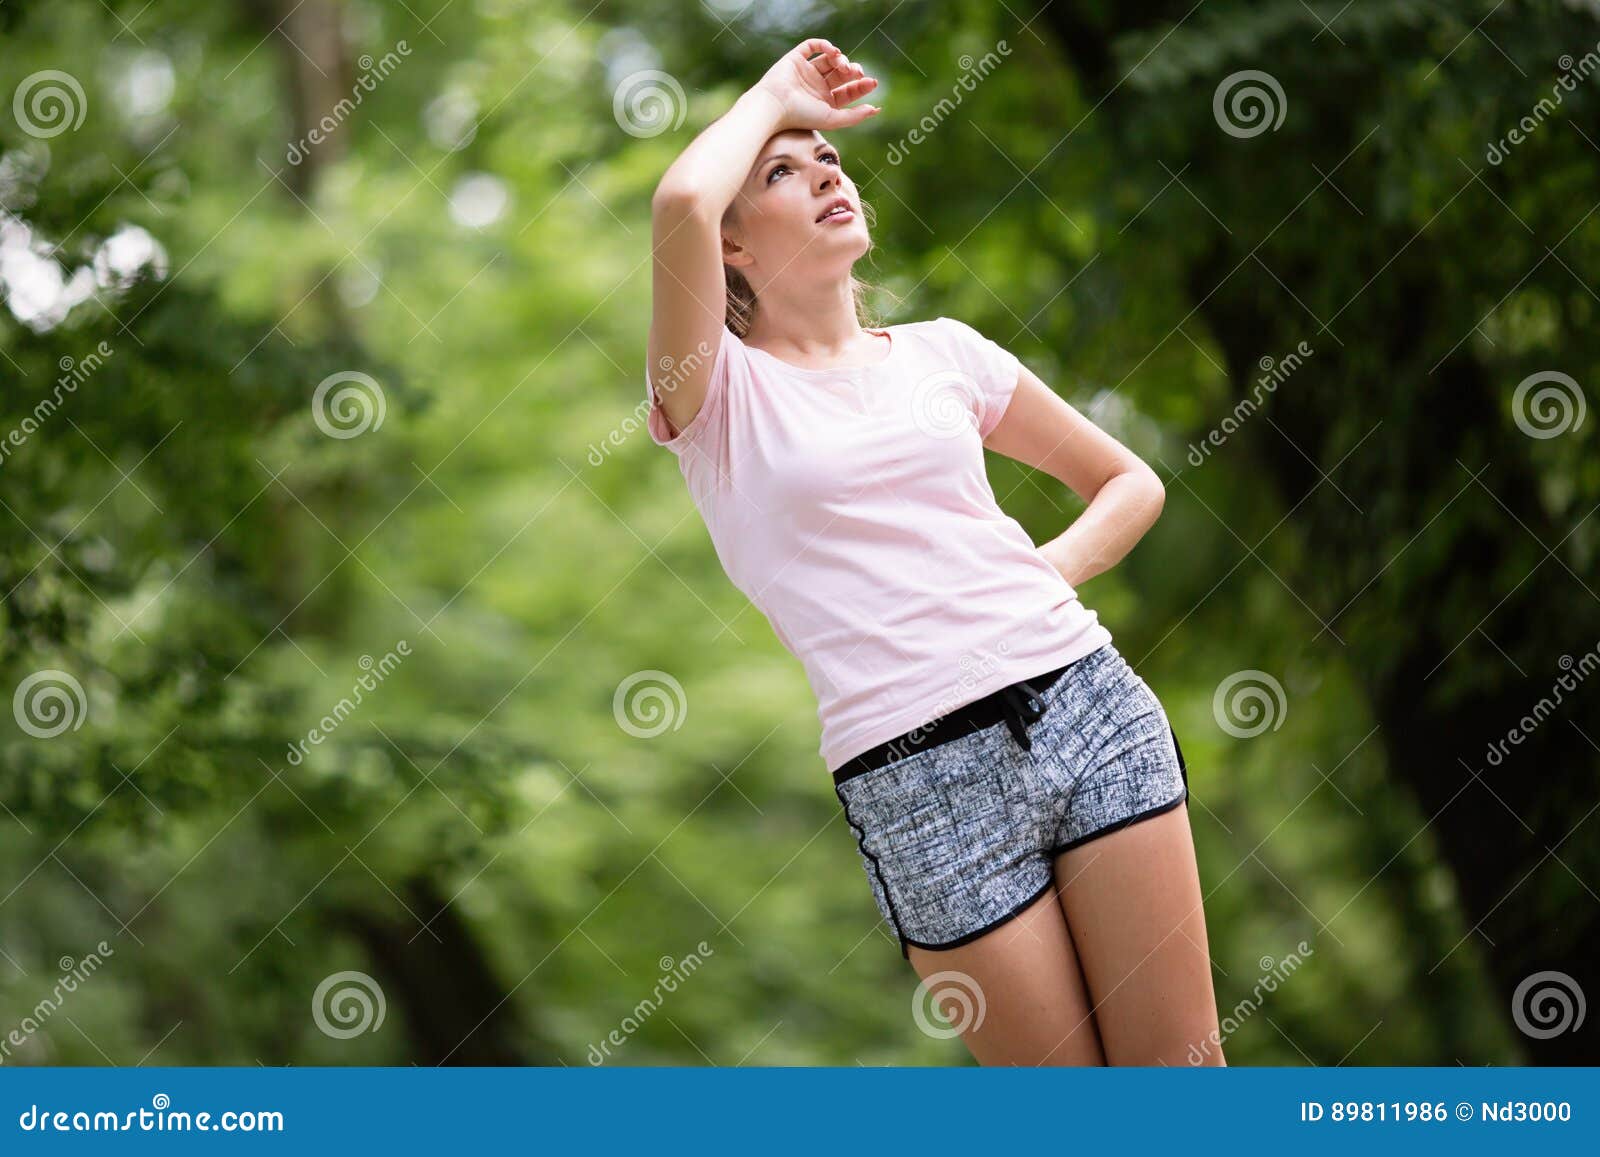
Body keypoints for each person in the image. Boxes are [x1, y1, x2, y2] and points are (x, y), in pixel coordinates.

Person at [644, 36, 1224, 1067]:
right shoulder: (716, 398)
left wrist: (1039, 574)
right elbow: (681, 204)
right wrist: (777, 93)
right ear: (734, 248)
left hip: (1083, 704)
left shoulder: (946, 353)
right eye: (783, 170)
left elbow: (1130, 481)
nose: (825, 168)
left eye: (828, 158)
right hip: (916, 776)